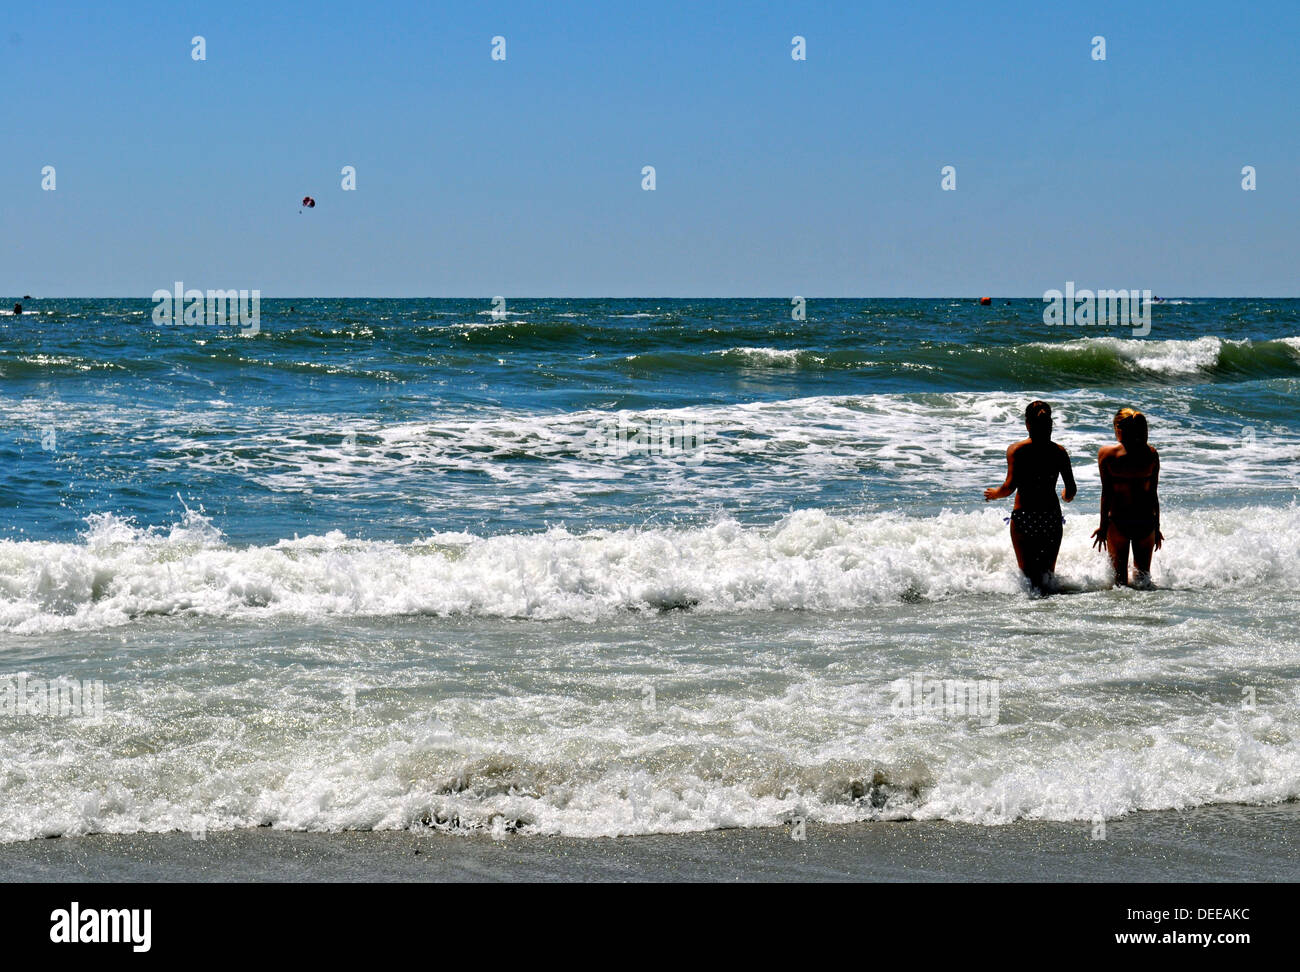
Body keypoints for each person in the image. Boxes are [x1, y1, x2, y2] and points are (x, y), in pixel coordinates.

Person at [984, 401, 1077, 592]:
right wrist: (1065, 496)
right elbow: (1071, 490)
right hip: (1050, 517)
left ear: (1027, 423)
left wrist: (995, 494)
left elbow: (1009, 487)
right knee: (1047, 576)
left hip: (1024, 516)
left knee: (1028, 578)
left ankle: (1032, 613)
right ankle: (1050, 612)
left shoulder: (1017, 450)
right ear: (1050, 424)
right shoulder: (1059, 452)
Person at [1092, 408, 1163, 587]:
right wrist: (1157, 526)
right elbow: (1153, 493)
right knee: (1143, 580)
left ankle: (1124, 615)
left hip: (1118, 522)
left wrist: (1102, 526)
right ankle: (1146, 613)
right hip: (1145, 521)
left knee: (1120, 583)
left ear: (1118, 428)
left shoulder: (1107, 454)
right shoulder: (1151, 454)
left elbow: (1106, 493)